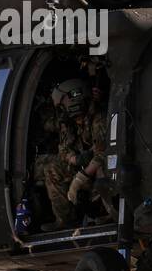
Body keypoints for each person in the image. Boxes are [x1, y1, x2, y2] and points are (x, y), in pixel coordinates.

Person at [36, 76, 108, 230]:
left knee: (103, 169)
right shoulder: (69, 123)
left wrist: (81, 178)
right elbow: (63, 150)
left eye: (62, 106)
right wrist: (74, 159)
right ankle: (65, 220)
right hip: (82, 165)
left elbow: (103, 153)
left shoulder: (98, 118)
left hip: (98, 166)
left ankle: (106, 214)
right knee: (52, 168)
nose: (61, 111)